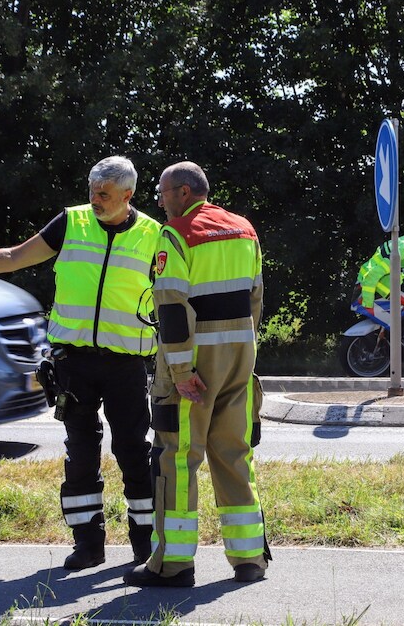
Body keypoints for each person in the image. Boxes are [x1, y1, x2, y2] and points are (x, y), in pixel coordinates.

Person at [0, 156, 159, 570]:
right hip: (73, 363)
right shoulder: (72, 222)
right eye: (91, 191)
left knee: (133, 453)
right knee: (81, 454)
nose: (94, 200)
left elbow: (175, 295)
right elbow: (14, 257)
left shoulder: (154, 236)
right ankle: (88, 544)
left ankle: (145, 544)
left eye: (104, 194)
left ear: (128, 195)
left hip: (127, 365)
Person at [124, 161, 269, 587]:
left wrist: (182, 369)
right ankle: (249, 559)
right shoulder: (244, 229)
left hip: (196, 363)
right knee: (234, 452)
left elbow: (170, 306)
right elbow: (255, 296)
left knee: (178, 459)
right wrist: (242, 345)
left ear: (184, 193)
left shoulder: (177, 234)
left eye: (163, 192)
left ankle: (172, 565)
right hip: (240, 356)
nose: (159, 200)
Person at [356, 235, 404, 312]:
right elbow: (372, 276)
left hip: (370, 278)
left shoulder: (402, 248)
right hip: (369, 279)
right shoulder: (398, 255)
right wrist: (368, 305)